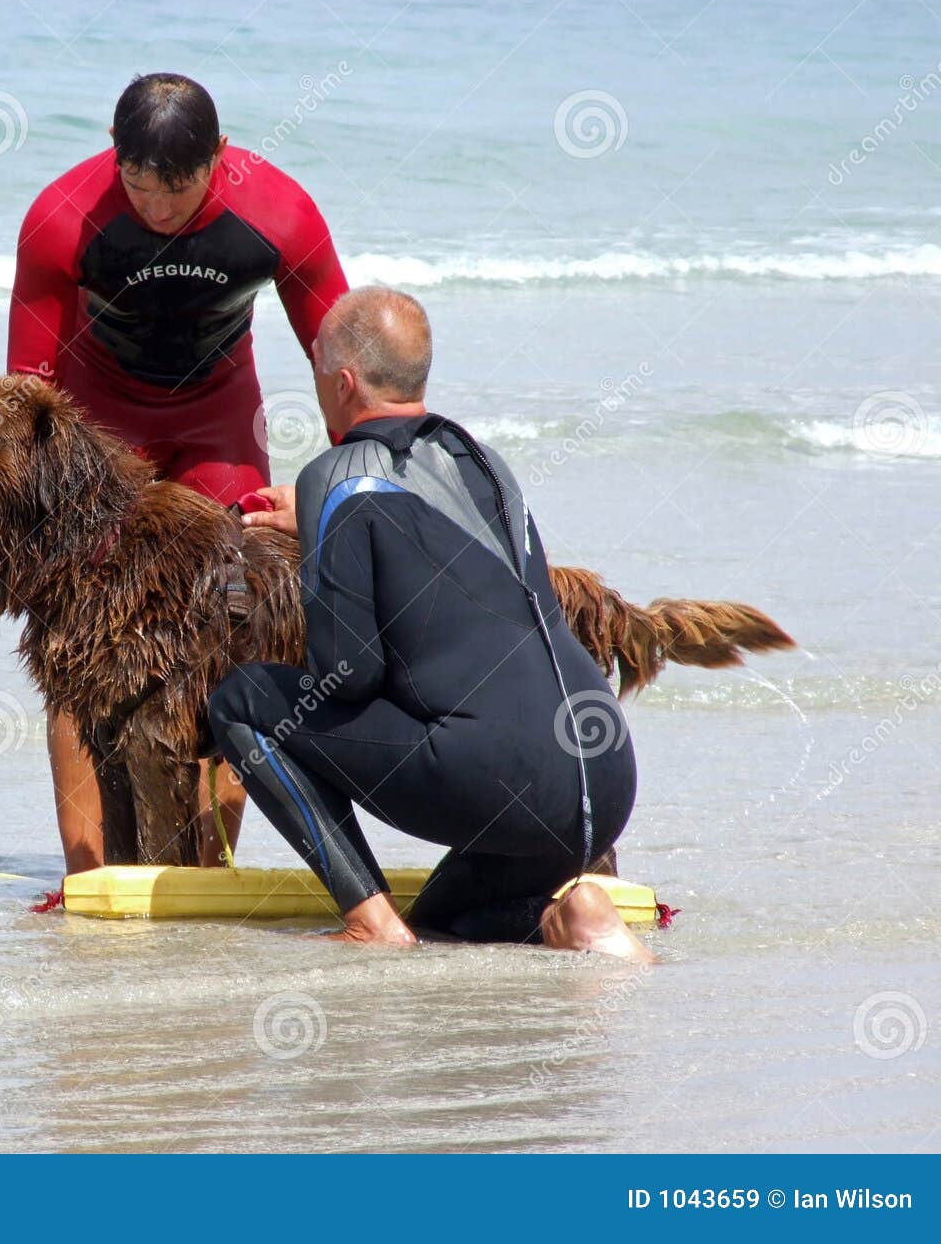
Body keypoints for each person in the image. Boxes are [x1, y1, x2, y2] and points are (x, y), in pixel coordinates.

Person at [208, 287, 653, 960]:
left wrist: (323, 539)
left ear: (342, 381)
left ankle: (371, 920)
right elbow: (445, 563)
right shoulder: (483, 462)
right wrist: (324, 530)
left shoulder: (337, 474)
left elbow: (347, 674)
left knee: (243, 700)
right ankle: (575, 913)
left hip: (496, 776)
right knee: (449, 917)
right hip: (604, 777)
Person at [8, 73, 349, 873]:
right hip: (101, 425)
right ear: (114, 157)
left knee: (236, 625)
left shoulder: (278, 212)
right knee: (76, 642)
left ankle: (208, 863)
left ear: (219, 158)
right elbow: (29, 389)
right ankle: (89, 872)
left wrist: (346, 486)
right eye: (138, 186)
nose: (157, 210)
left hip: (217, 420)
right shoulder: (63, 217)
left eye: (179, 188)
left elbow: (341, 359)